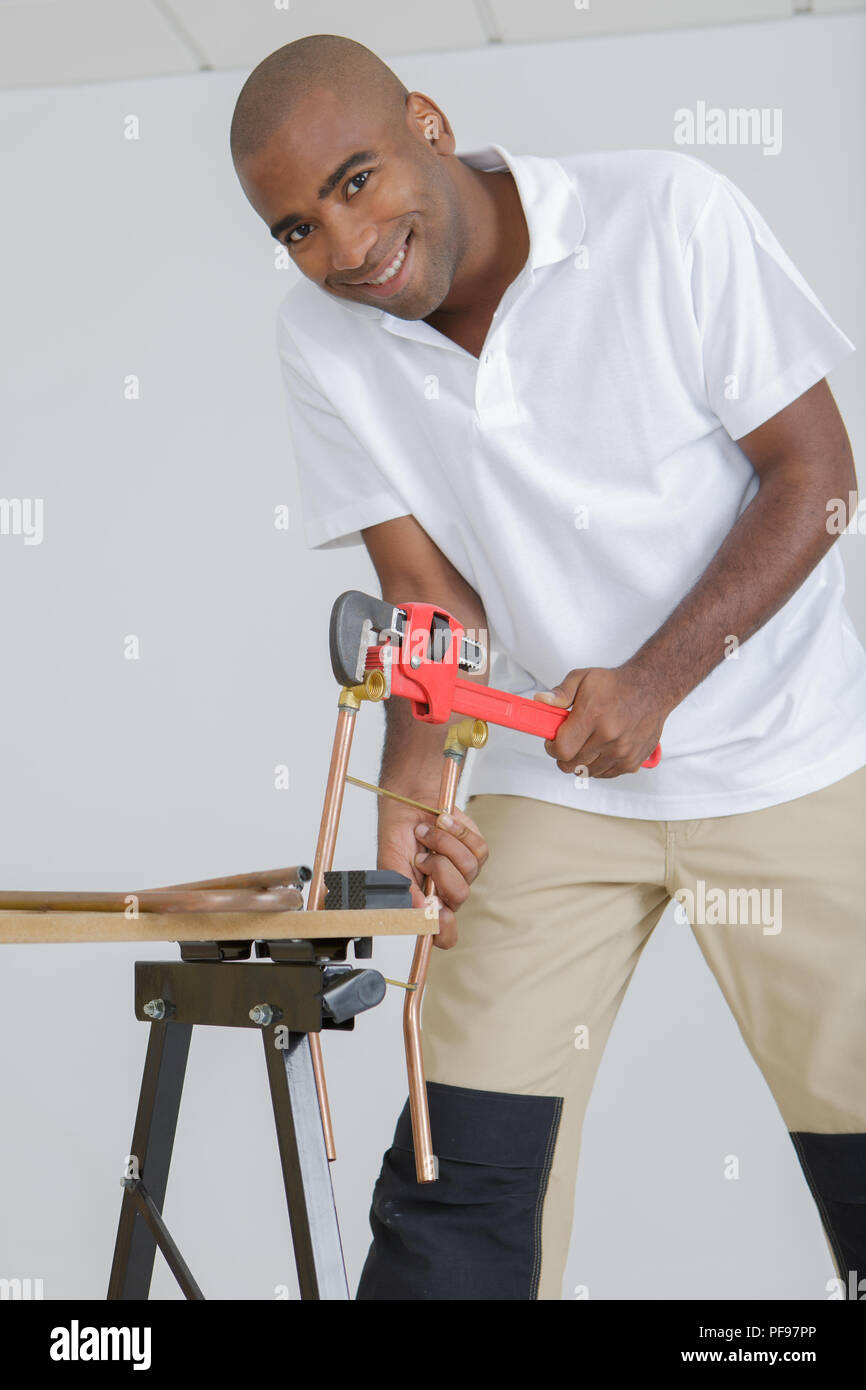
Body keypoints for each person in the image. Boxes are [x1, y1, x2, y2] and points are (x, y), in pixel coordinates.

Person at [231, 33, 866, 1300]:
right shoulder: (323, 340)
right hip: (548, 777)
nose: (344, 250)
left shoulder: (663, 213)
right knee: (449, 1189)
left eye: (354, 181)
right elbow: (430, 606)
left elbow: (819, 481)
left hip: (790, 757)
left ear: (423, 118)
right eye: (297, 227)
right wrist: (414, 805)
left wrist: (652, 683)